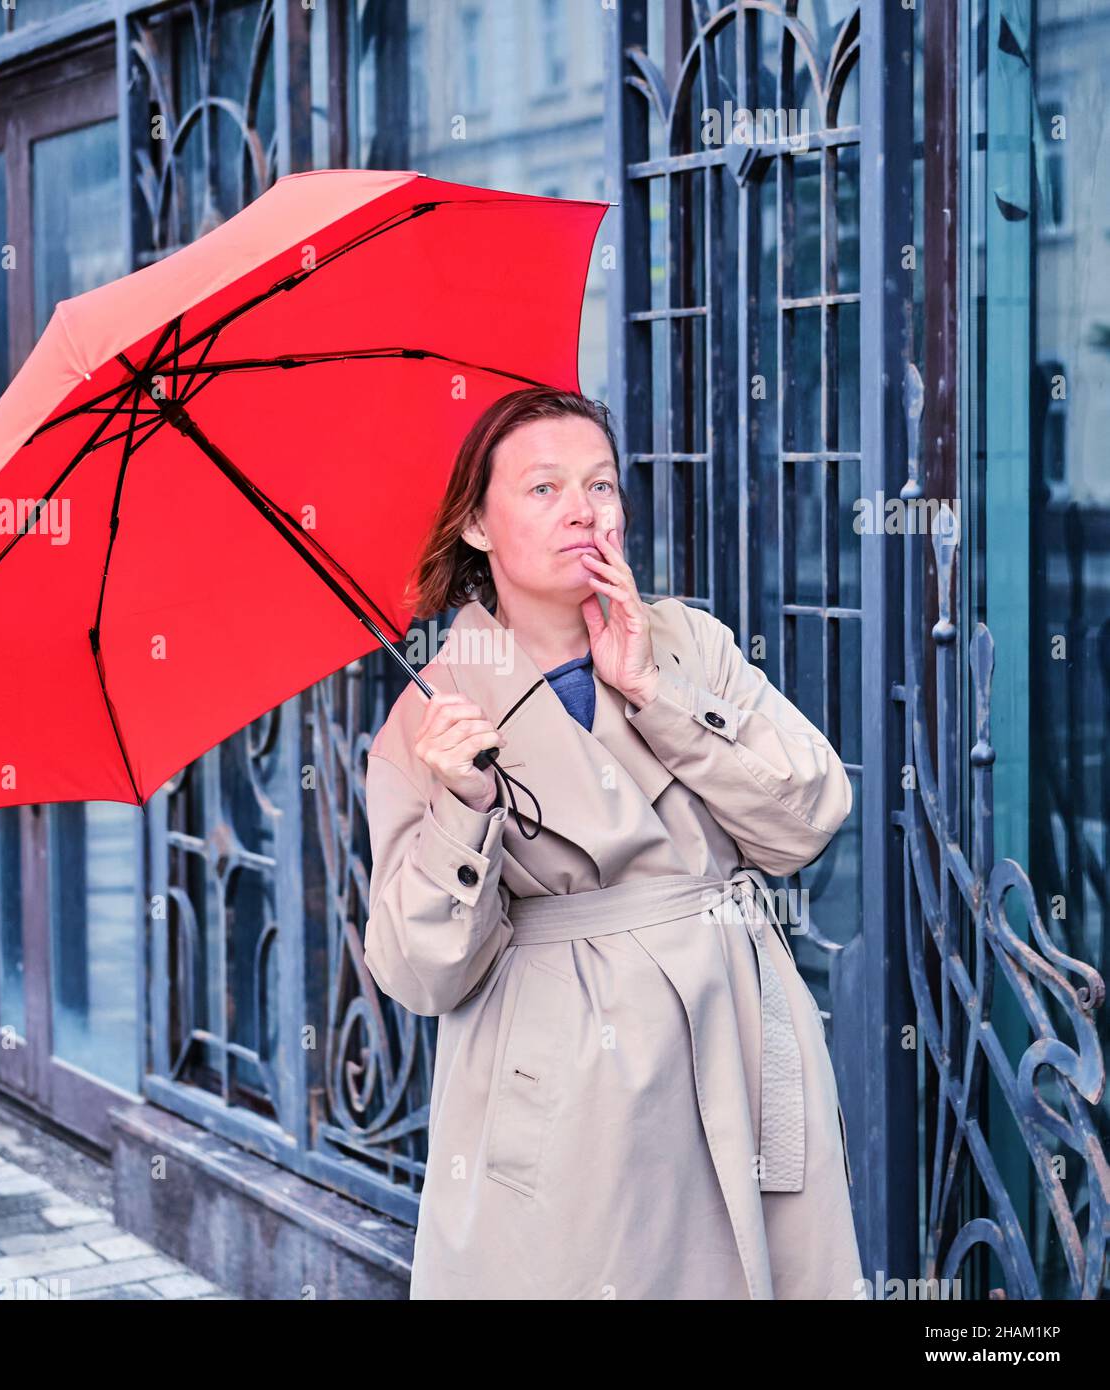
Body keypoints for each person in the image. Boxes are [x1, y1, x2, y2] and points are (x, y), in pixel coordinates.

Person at [362, 386, 864, 1299]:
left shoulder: (687, 644)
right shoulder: (428, 718)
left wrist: (655, 696)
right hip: (565, 1082)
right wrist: (465, 805)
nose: (584, 511)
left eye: (600, 484)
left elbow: (809, 816)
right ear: (476, 523)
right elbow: (417, 971)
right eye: (544, 488)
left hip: (734, 1028)